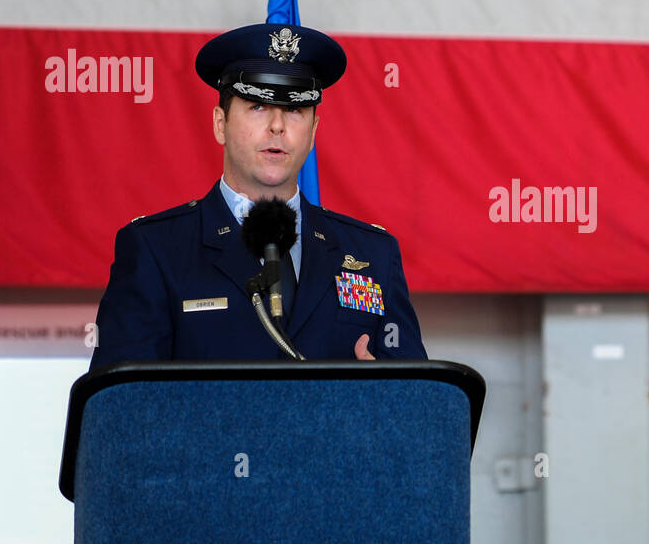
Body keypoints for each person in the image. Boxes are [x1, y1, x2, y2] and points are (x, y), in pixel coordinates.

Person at [89, 22, 426, 368]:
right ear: (221, 124)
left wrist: (387, 396)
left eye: (294, 109)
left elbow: (421, 405)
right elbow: (116, 410)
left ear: (312, 131)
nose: (277, 125)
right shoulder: (156, 250)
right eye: (257, 106)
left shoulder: (373, 254)